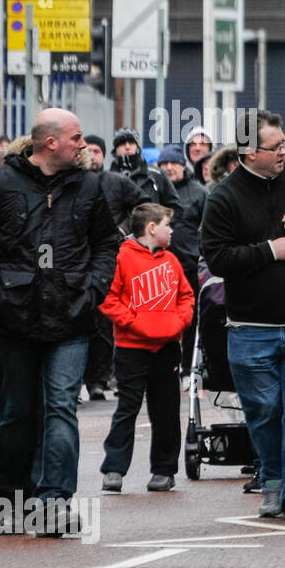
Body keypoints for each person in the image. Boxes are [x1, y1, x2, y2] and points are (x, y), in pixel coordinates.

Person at [201, 109, 285, 521]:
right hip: (250, 328)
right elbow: (218, 258)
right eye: (277, 147)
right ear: (250, 152)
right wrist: (271, 249)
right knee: (263, 411)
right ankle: (273, 479)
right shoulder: (224, 198)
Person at [0, 108, 117, 535]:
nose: (83, 145)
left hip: (71, 317)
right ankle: (11, 499)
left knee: (62, 408)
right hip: (14, 318)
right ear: (51, 143)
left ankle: (53, 502)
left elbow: (107, 242)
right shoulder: (4, 183)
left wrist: (94, 289)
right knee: (15, 412)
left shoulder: (88, 186)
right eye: (76, 138)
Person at [98, 203, 194, 493]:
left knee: (165, 410)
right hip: (131, 347)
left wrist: (180, 321)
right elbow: (108, 298)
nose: (172, 231)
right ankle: (114, 468)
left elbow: (186, 296)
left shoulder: (172, 261)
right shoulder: (122, 258)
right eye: (167, 225)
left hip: (167, 347)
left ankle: (164, 470)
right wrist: (133, 322)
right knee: (127, 408)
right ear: (152, 228)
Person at [82, 133, 147, 399]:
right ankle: (83, 379)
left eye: (97, 151)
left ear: (104, 154)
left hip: (112, 259)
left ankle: (99, 379)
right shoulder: (75, 181)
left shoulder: (117, 182)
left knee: (106, 320)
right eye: (88, 150)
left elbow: (144, 205)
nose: (92, 155)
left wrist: (125, 229)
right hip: (77, 258)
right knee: (82, 320)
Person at [157, 145, 208, 377]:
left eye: (173, 163)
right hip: (158, 265)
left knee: (189, 318)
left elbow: (207, 228)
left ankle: (187, 367)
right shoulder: (154, 190)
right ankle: (163, 367)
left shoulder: (198, 192)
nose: (168, 168)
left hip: (189, 265)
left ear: (182, 164)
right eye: (164, 164)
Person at [111, 127, 183, 214]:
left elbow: (175, 208)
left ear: (137, 147)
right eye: (122, 143)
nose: (127, 147)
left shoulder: (157, 175)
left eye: (131, 142)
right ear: (115, 149)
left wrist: (162, 226)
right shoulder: (107, 179)